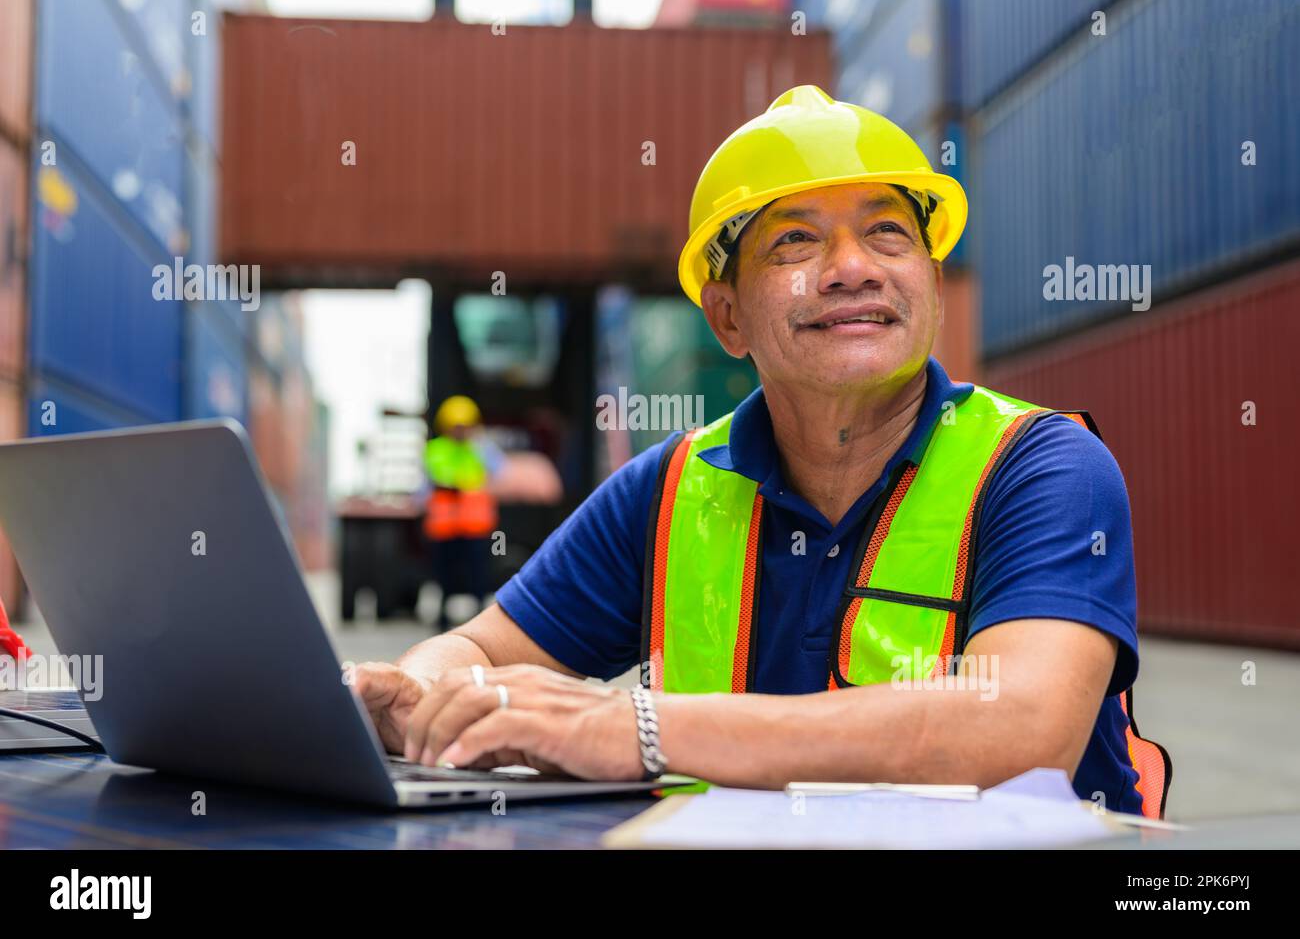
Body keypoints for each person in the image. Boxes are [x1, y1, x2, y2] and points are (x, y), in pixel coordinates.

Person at [355, 86, 1170, 817]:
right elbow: (479, 648)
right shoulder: (670, 490)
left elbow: (1020, 729)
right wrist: (424, 695)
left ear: (927, 278)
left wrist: (636, 728)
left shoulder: (1040, 469)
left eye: (888, 232)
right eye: (796, 244)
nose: (853, 268)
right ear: (728, 318)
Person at [422, 396, 500, 623]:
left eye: (465, 426)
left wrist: (480, 445)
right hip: (444, 526)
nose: (460, 431)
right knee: (445, 573)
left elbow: (499, 469)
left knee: (478, 573)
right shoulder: (435, 449)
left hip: (475, 525)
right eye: (456, 426)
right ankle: (443, 614)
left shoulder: (480, 448)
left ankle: (479, 614)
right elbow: (429, 481)